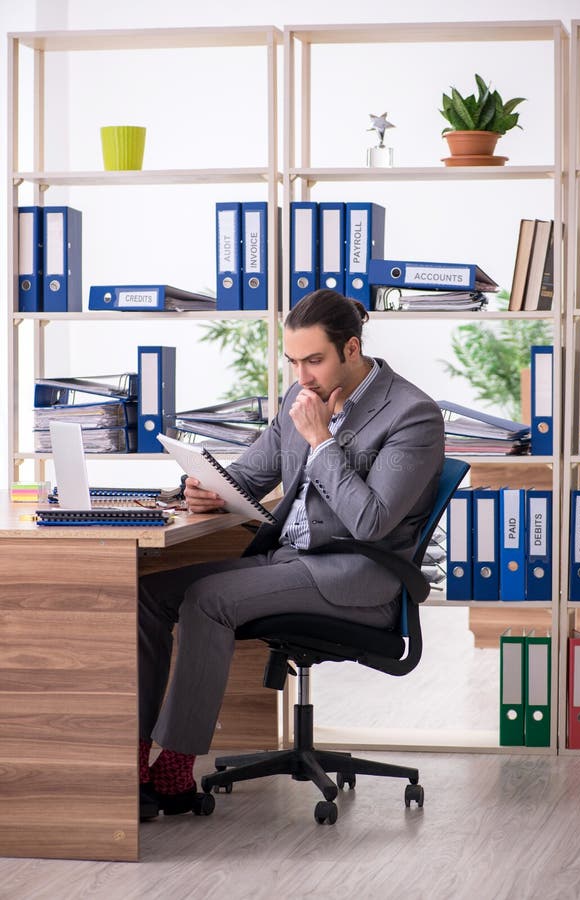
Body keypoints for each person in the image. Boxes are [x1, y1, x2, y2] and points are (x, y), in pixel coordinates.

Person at [138, 289, 444, 819]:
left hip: (357, 575)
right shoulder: (298, 399)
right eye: (293, 361)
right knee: (149, 592)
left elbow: (371, 521)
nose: (302, 376)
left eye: (314, 360)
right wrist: (206, 488)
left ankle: (176, 765)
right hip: (289, 560)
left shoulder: (411, 416)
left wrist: (321, 442)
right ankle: (131, 755)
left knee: (207, 598)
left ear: (351, 349)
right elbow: (251, 476)